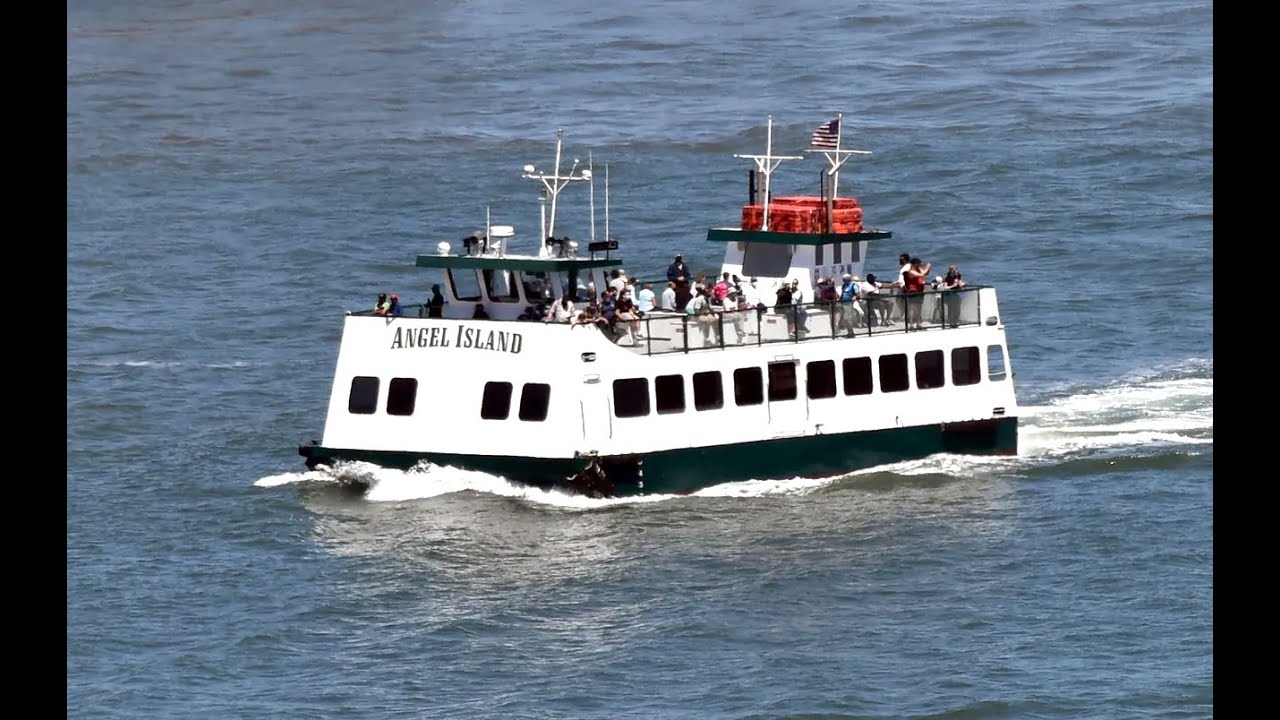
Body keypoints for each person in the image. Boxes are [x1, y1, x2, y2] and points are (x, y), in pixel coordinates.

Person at [903, 257, 932, 329]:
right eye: (918, 263)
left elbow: (925, 273)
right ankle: (911, 324)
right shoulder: (911, 271)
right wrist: (926, 267)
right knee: (912, 308)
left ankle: (918, 324)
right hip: (913, 291)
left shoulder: (918, 269)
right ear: (914, 264)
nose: (919, 264)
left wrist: (928, 268)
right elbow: (921, 275)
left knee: (919, 308)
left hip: (920, 291)